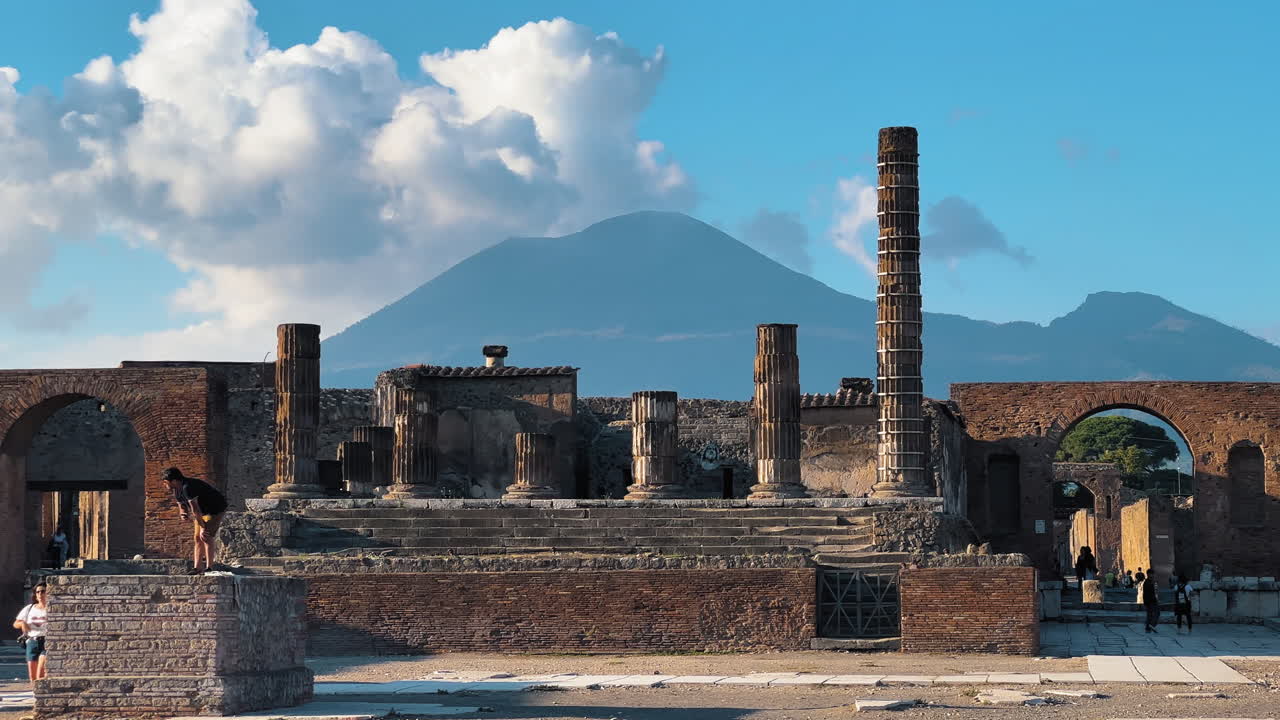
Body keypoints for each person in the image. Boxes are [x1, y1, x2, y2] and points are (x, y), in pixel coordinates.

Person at [163, 467, 228, 575]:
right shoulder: (177, 491)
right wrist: (183, 513)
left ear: (174, 481)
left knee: (205, 536)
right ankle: (197, 567)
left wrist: (203, 527)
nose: (164, 485)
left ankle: (209, 567)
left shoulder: (187, 487)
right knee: (197, 538)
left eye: (166, 482)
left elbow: (195, 510)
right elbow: (182, 505)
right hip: (202, 512)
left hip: (215, 510)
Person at [13, 583, 49, 687]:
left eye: (43, 591)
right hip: (32, 642)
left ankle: (42, 696)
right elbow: (15, 624)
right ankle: (36, 695)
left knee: (40, 674)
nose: (40, 594)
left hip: (47, 642)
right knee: (32, 676)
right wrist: (23, 623)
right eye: (37, 592)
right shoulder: (30, 608)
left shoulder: (52, 608)